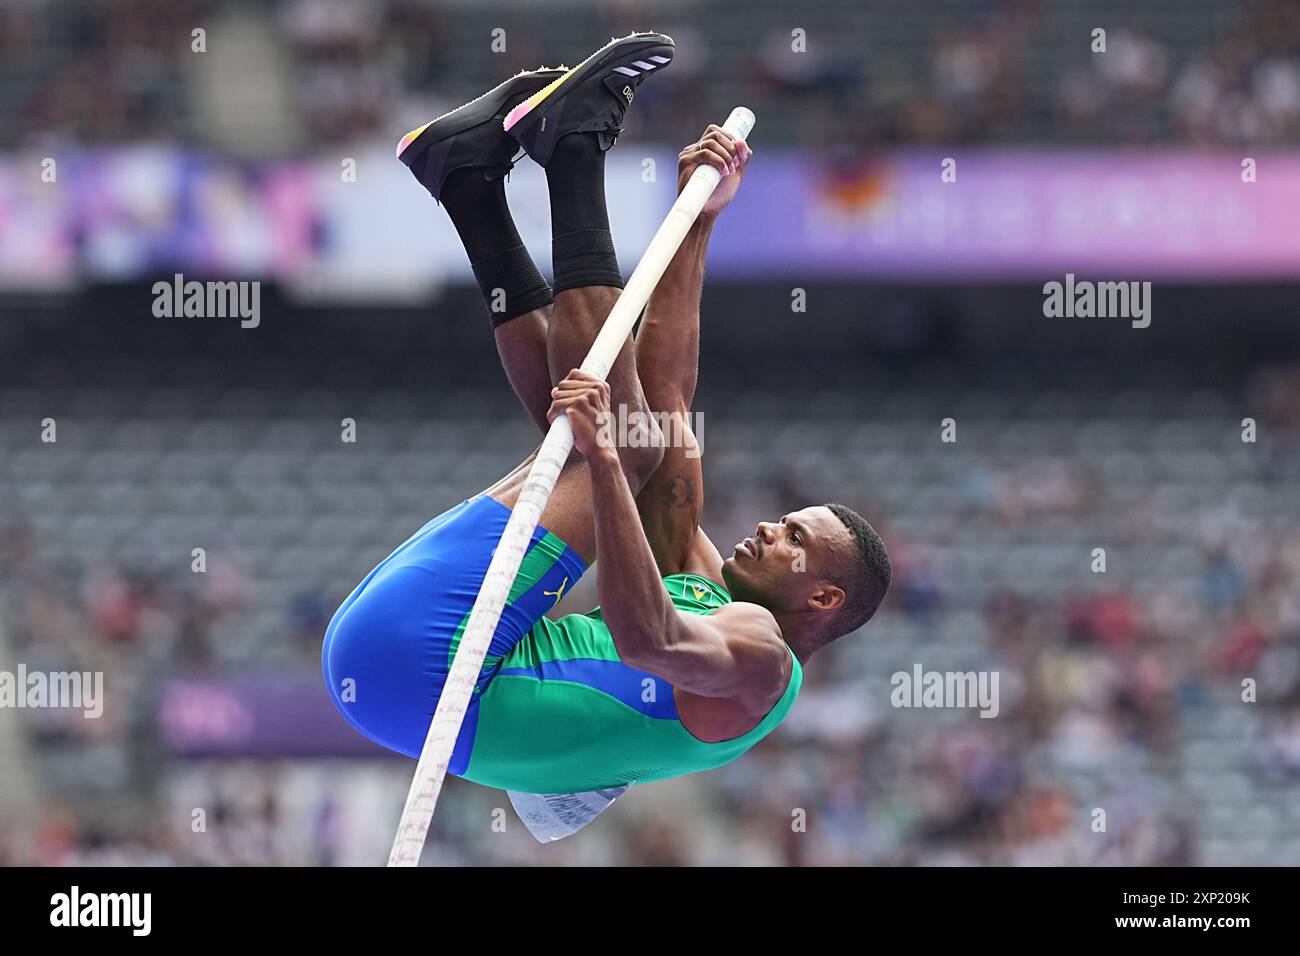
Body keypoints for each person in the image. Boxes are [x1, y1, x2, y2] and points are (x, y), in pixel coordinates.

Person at [322, 32, 891, 806]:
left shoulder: (763, 661)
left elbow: (647, 639)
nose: (767, 528)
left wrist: (613, 465)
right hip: (400, 665)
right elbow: (669, 393)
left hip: (433, 673)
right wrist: (701, 218)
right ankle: (467, 184)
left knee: (622, 451)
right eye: (786, 519)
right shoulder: (704, 583)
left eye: (796, 538)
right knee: (639, 438)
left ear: (824, 598)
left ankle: (576, 146)